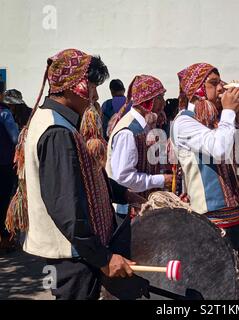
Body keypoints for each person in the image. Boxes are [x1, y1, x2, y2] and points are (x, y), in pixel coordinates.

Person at [5, 49, 145, 300]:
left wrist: (125, 193)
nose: (95, 95)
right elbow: (66, 207)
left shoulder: (60, 121)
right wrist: (103, 258)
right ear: (77, 86)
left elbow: (86, 177)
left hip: (78, 253)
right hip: (74, 257)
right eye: (92, 86)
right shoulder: (56, 130)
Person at [172, 63, 239, 300]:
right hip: (210, 217)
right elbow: (218, 149)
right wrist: (229, 113)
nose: (221, 87)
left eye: (220, 82)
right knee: (217, 284)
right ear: (196, 90)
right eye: (213, 83)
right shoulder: (184, 121)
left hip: (238, 213)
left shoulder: (220, 120)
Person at [106, 75, 173, 216]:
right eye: (160, 98)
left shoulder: (143, 125)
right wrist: (160, 180)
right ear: (148, 102)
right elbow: (123, 178)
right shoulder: (128, 132)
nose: (163, 103)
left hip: (143, 207)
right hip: (129, 212)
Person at [0, 81, 19, 252]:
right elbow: (16, 139)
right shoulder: (5, 114)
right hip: (4, 164)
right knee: (5, 202)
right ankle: (6, 239)